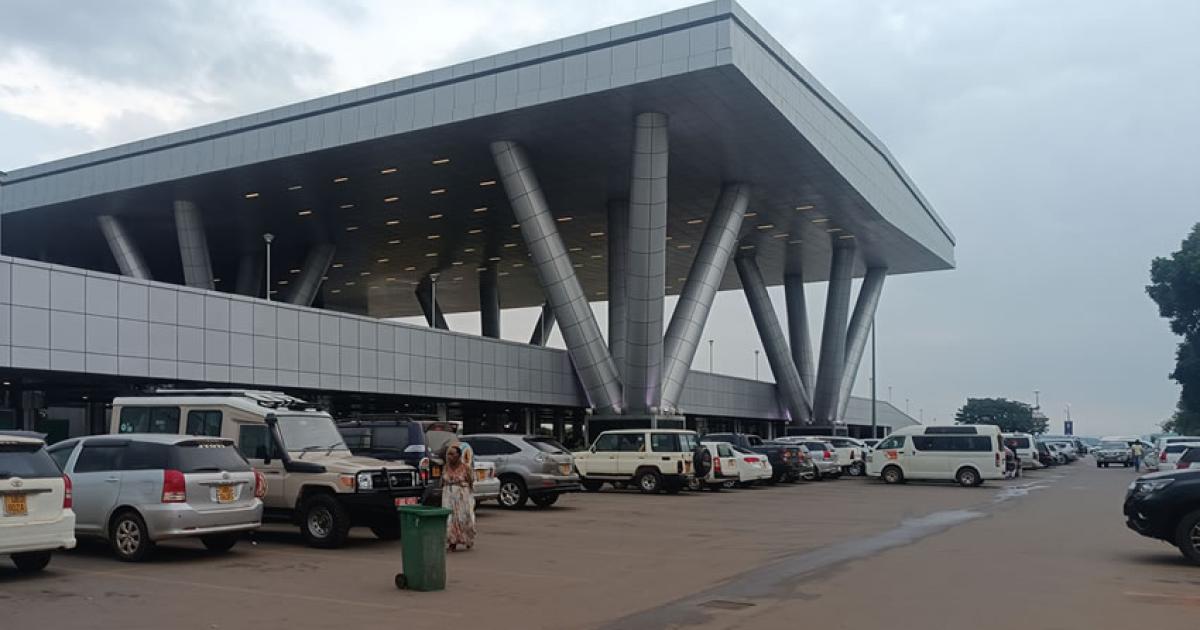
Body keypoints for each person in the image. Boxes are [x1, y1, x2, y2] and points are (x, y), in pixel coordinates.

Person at [441, 443, 476, 552]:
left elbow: (471, 482)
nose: (449, 456)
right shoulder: (445, 467)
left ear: (458, 456)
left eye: (452, 454)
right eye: (448, 454)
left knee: (463, 518)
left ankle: (468, 540)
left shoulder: (466, 468)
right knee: (449, 519)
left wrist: (467, 496)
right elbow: (442, 481)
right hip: (448, 495)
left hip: (462, 496)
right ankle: (452, 543)